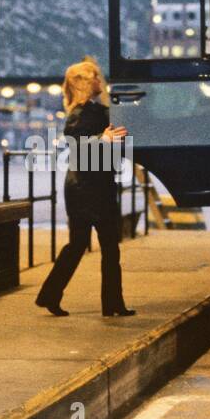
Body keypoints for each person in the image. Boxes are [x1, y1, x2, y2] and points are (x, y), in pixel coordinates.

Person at [35, 58, 135, 318]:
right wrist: (103, 139)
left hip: (93, 186)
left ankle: (56, 296)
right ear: (84, 84)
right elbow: (76, 146)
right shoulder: (80, 113)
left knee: (87, 245)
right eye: (95, 78)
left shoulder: (95, 110)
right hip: (86, 189)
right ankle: (110, 303)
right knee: (94, 246)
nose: (100, 81)